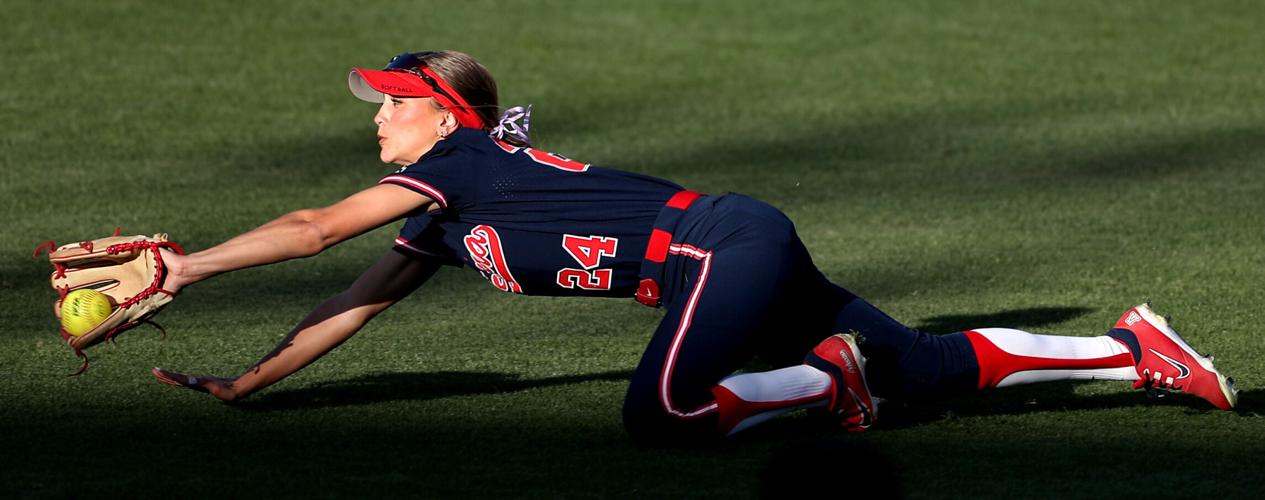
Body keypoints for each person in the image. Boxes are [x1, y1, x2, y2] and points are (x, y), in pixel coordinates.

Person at [151, 51, 1238, 441]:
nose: (376, 117)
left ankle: (824, 384)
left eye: (393, 103)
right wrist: (249, 379)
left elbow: (305, 231)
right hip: (726, 249)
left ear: (442, 113)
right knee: (921, 365)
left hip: (715, 248)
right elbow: (354, 298)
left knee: (660, 414)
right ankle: (1130, 346)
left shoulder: (464, 161)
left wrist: (185, 267)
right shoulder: (446, 206)